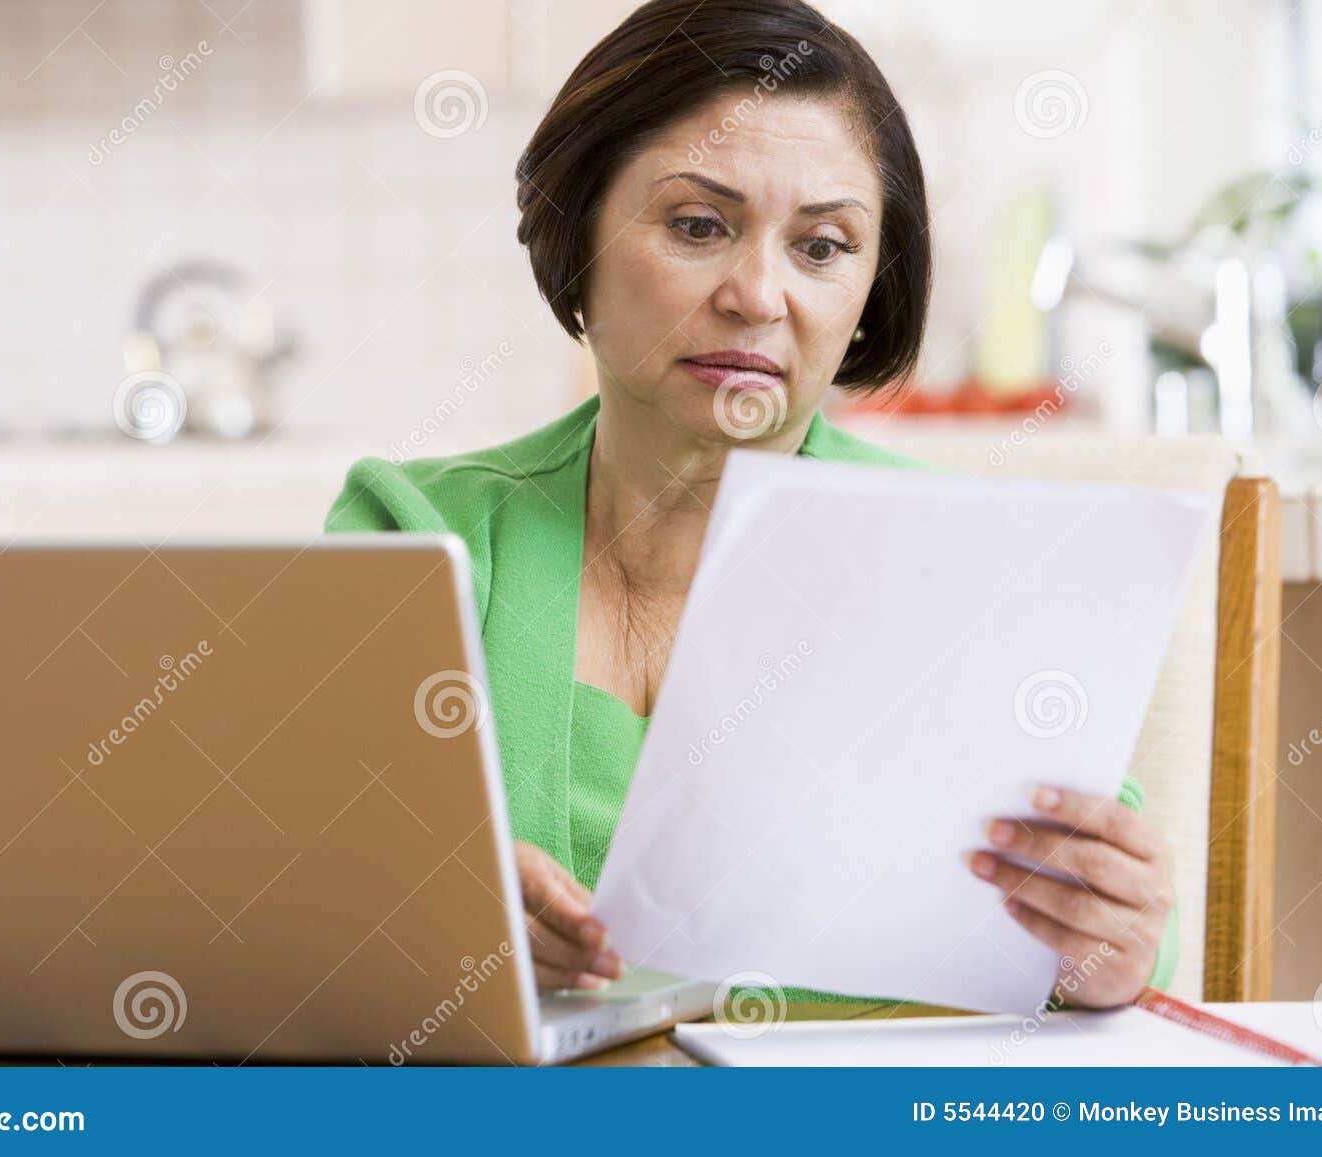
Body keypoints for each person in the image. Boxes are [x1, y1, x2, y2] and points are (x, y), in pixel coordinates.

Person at [326, 0, 1177, 1007]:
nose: (757, 295)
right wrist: (427, 920)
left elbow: (1086, 931)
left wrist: (1111, 950)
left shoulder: (969, 564)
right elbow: (292, 898)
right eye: (697, 225)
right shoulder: (417, 533)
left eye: (821, 246)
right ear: (577, 235)